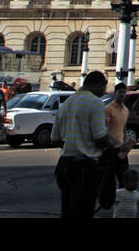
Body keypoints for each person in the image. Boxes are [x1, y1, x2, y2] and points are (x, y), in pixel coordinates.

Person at [52, 70, 119, 219]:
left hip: (64, 165)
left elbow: (55, 138)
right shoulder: (95, 103)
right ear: (98, 85)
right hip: (84, 168)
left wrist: (74, 142)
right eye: (103, 88)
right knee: (84, 211)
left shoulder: (67, 103)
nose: (104, 92)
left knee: (67, 211)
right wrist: (113, 144)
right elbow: (100, 138)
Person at [104, 84, 132, 185]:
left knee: (124, 179)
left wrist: (125, 144)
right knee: (109, 180)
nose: (122, 94)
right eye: (120, 92)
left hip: (121, 149)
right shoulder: (108, 109)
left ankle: (122, 199)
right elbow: (105, 130)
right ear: (115, 93)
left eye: (124, 92)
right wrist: (115, 143)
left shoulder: (126, 110)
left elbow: (123, 129)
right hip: (110, 149)